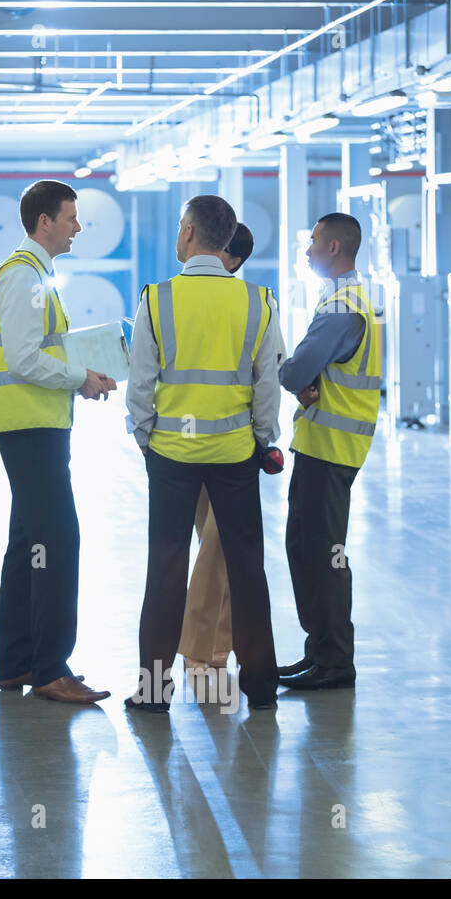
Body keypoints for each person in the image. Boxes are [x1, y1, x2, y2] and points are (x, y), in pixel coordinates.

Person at [125, 196, 285, 712]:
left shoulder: (156, 299)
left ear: (190, 233)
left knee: (165, 568)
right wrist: (262, 440)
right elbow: (268, 386)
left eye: (179, 228)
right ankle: (260, 687)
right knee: (247, 568)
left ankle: (153, 693)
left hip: (171, 453)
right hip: (236, 453)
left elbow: (140, 385)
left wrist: (147, 438)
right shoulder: (259, 302)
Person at [0, 180, 116, 705]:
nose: (78, 227)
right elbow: (24, 359)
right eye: (71, 218)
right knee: (58, 540)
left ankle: (16, 663)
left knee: (28, 543)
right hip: (28, 426)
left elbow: (39, 353)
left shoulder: (37, 275)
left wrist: (81, 374)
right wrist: (80, 377)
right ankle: (51, 669)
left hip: (36, 423)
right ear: (45, 222)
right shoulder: (23, 277)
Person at [278, 213, 381, 690]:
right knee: (308, 547)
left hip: (330, 446)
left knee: (324, 554)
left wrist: (296, 379)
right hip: (331, 444)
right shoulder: (351, 299)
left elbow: (296, 371)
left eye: (314, 240)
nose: (308, 248)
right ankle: (320, 650)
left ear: (335, 248)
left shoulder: (343, 306)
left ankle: (335, 661)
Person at [179, 223, 256, 676]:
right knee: (217, 546)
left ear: (231, 258)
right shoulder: (181, 296)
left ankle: (203, 646)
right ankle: (214, 644)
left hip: (220, 443)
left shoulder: (246, 302)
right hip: (200, 442)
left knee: (216, 547)